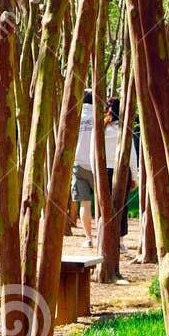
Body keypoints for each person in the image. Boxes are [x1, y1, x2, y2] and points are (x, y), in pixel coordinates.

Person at [102, 96, 139, 250]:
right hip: (122, 171)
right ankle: (120, 241)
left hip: (104, 171)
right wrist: (135, 176)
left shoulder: (101, 130)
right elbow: (131, 156)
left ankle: (104, 237)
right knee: (122, 206)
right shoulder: (123, 131)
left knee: (105, 204)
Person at [72, 90, 95, 245]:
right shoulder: (100, 116)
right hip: (98, 165)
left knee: (84, 204)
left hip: (79, 164)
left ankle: (89, 238)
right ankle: (107, 238)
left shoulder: (76, 117)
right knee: (103, 204)